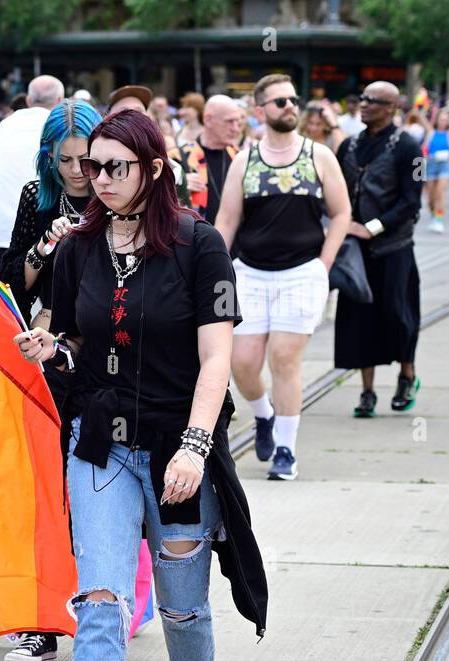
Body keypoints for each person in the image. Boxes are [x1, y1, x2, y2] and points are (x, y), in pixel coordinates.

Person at [16, 110, 266, 661]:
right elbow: (69, 339)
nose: (96, 179)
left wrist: (194, 445)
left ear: (153, 168)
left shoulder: (199, 245)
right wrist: (50, 351)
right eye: (90, 167)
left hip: (176, 445)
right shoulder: (78, 248)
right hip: (100, 447)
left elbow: (216, 357)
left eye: (113, 167)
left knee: (183, 603)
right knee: (99, 602)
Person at [0, 98, 100, 661]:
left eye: (88, 159)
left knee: (92, 490)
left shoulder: (120, 198)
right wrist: (45, 244)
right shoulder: (38, 199)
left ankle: (97, 605)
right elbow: (11, 280)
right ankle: (40, 624)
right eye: (66, 161)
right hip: (47, 358)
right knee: (43, 489)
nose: (80, 172)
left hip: (106, 360)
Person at [216, 74, 351, 482]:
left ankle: (286, 451)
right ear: (260, 111)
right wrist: (214, 268)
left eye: (293, 100)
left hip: (301, 272)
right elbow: (227, 219)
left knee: (284, 359)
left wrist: (324, 265)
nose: (290, 106)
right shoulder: (246, 160)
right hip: (251, 273)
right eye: (279, 102)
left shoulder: (319, 156)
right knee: (242, 362)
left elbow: (342, 212)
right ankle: (263, 414)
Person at [335, 82, 424, 417]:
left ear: (391, 108)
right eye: (362, 98)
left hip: (394, 246)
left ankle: (406, 374)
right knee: (358, 320)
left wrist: (372, 227)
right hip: (354, 251)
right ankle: (367, 392)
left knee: (400, 316)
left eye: (373, 101)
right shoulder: (348, 146)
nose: (363, 104)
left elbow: (411, 202)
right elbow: (337, 192)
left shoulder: (410, 148)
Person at [0, 74, 64, 262]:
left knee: (4, 285)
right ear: (60, 100)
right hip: (36, 226)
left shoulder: (5, 124)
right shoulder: (59, 126)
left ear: (28, 100)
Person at [179, 95, 242, 224]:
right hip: (196, 239)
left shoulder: (240, 157)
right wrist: (178, 186)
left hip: (236, 241)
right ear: (208, 120)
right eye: (229, 121)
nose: (236, 128)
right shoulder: (180, 157)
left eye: (238, 122)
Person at [423, 109, 449, 233]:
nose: (444, 122)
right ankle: (433, 215)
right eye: (442, 119)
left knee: (441, 192)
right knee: (431, 198)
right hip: (431, 165)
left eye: (446, 120)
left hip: (444, 165)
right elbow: (423, 150)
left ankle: (438, 219)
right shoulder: (430, 132)